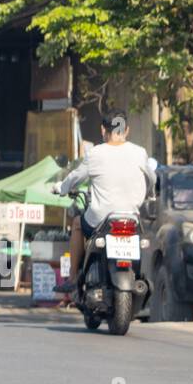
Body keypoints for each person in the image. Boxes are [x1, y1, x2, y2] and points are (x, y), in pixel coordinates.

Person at [54, 111, 155, 290]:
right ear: (127, 130)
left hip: (101, 220)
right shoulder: (140, 153)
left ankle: (72, 279)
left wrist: (61, 188)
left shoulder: (95, 153)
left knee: (77, 223)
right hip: (131, 218)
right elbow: (152, 179)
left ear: (103, 130)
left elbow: (75, 177)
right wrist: (149, 193)